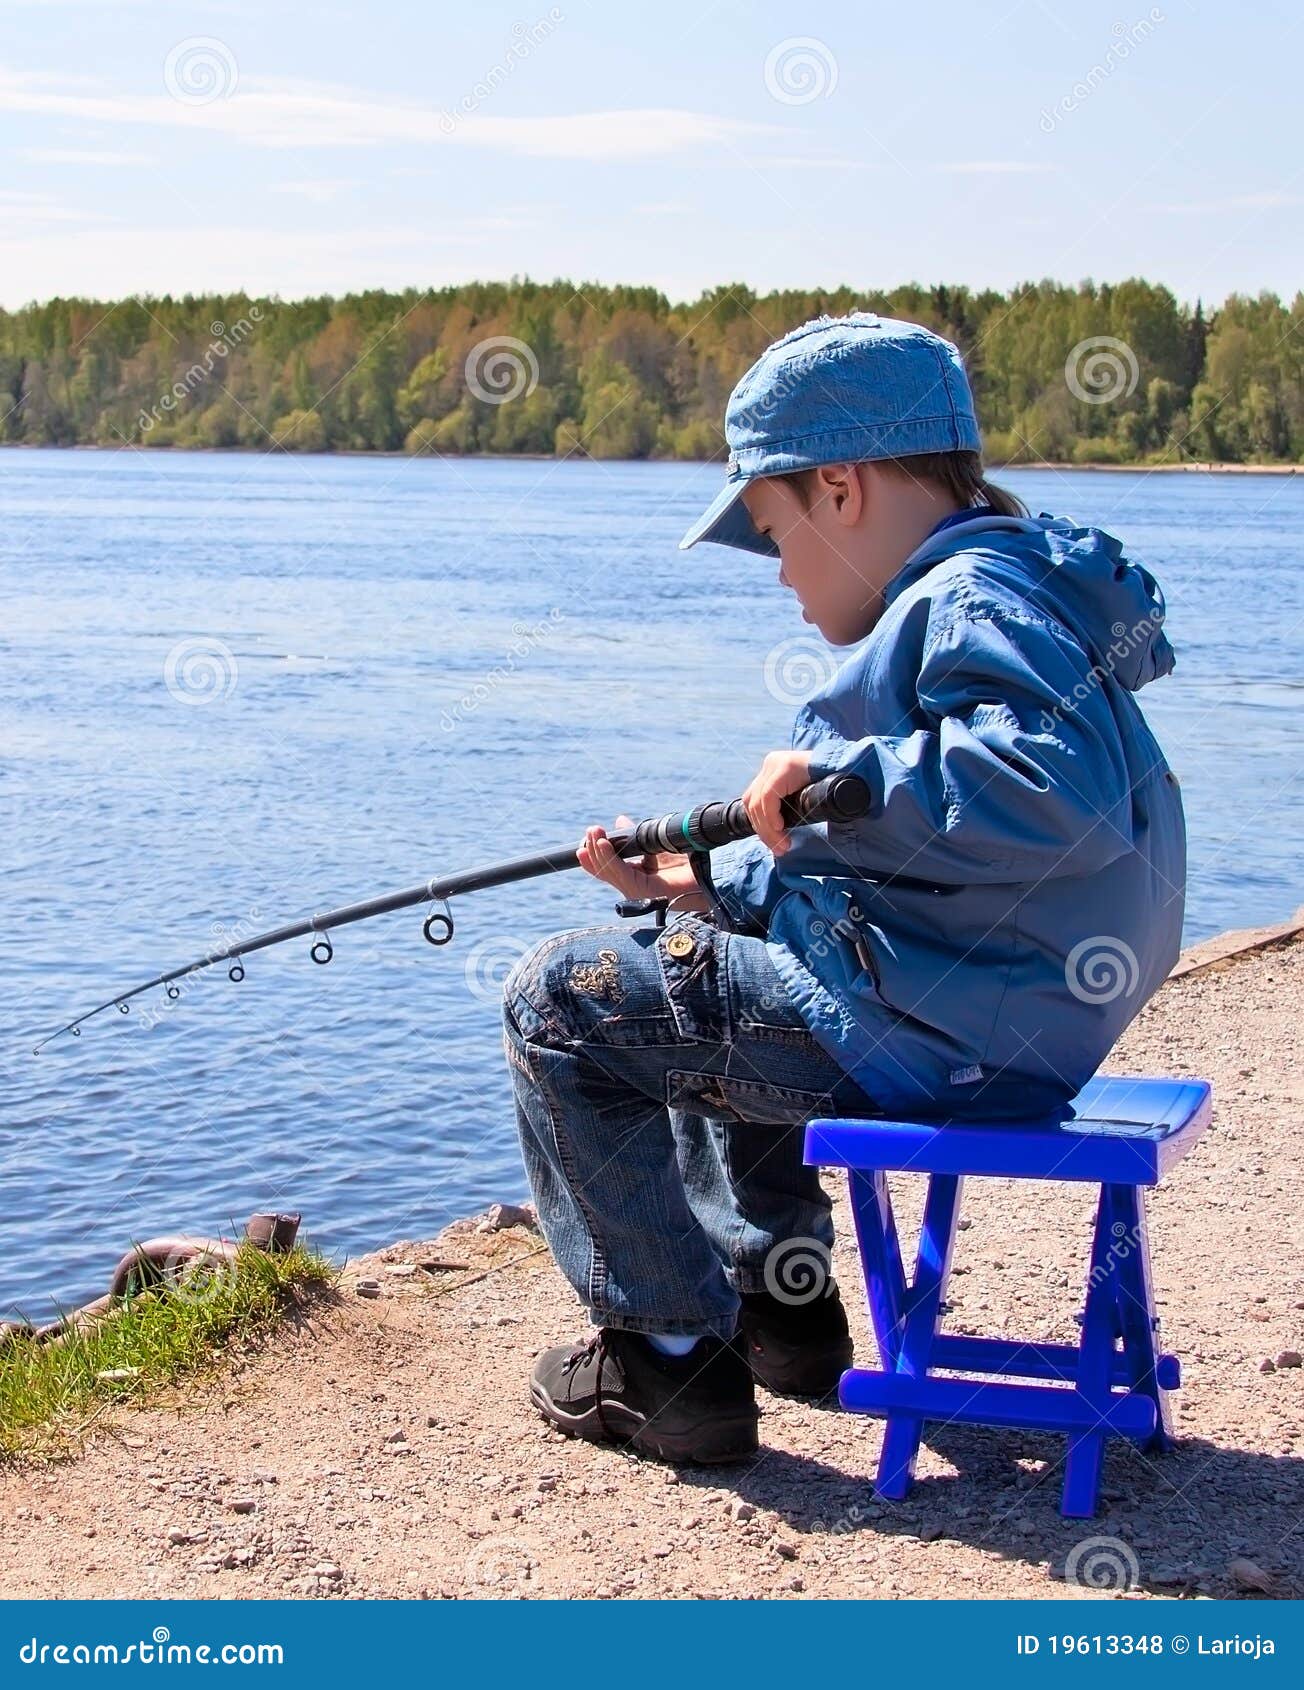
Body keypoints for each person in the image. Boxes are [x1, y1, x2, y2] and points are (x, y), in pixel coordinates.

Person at [501, 312, 1186, 1464]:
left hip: (937, 1040)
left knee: (561, 999)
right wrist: (711, 899)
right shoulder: (1008, 591)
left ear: (839, 488)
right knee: (704, 965)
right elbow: (941, 890)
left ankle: (668, 1363)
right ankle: (782, 1313)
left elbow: (1053, 786)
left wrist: (844, 772)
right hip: (988, 1024)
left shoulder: (969, 599)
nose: (776, 572)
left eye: (771, 531)